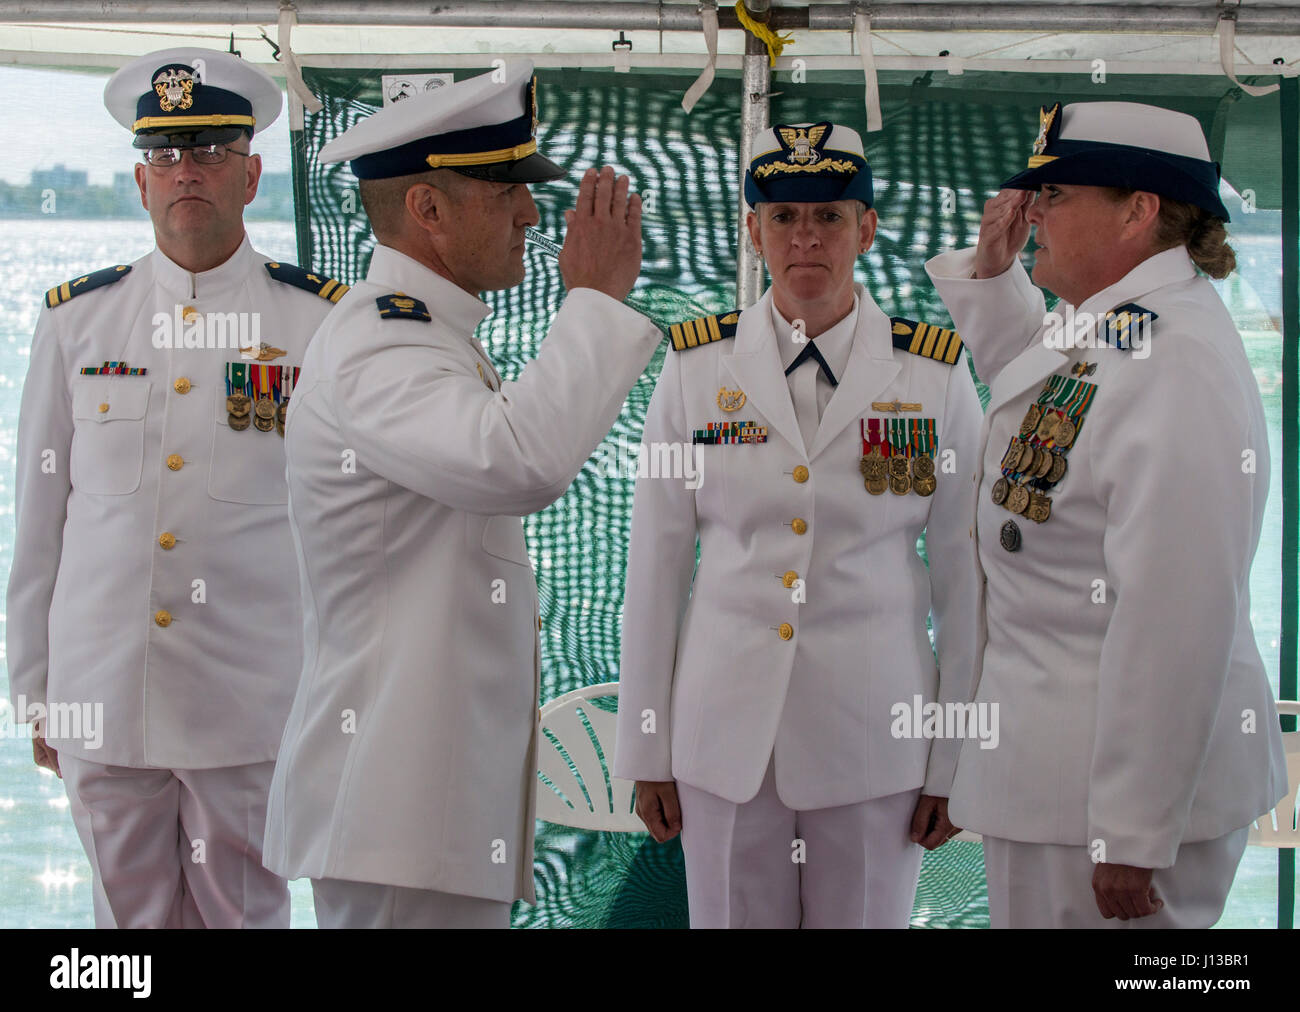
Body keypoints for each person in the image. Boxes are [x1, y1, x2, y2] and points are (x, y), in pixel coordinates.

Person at [261, 61, 661, 929]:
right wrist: (590, 302)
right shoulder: (380, 342)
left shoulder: (429, 336)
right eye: (505, 187)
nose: (529, 211)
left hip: (426, 811)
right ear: (429, 211)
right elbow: (516, 461)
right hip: (398, 809)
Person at [925, 100, 1287, 928]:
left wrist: (1133, 828)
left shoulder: (1175, 359)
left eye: (1058, 195)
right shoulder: (1124, 326)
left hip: (1107, 814)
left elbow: (1175, 617)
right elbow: (1048, 395)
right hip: (1058, 785)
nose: (1033, 213)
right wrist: (993, 274)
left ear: (1140, 209)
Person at [7, 47, 345, 928]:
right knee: (128, 928)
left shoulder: (317, 324)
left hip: (252, 702)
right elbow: (40, 523)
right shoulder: (77, 321)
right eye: (166, 157)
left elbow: (345, 533)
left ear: (252, 175)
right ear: (139, 182)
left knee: (247, 915)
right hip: (104, 695)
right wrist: (35, 690)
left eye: (209, 153)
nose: (185, 171)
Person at [612, 122, 982, 928]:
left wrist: (955, 758)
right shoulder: (695, 370)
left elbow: (965, 583)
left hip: (879, 744)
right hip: (722, 744)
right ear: (752, 230)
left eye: (829, 216)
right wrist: (647, 748)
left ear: (867, 229)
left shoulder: (935, 376)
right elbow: (656, 568)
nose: (805, 237)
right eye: (782, 218)